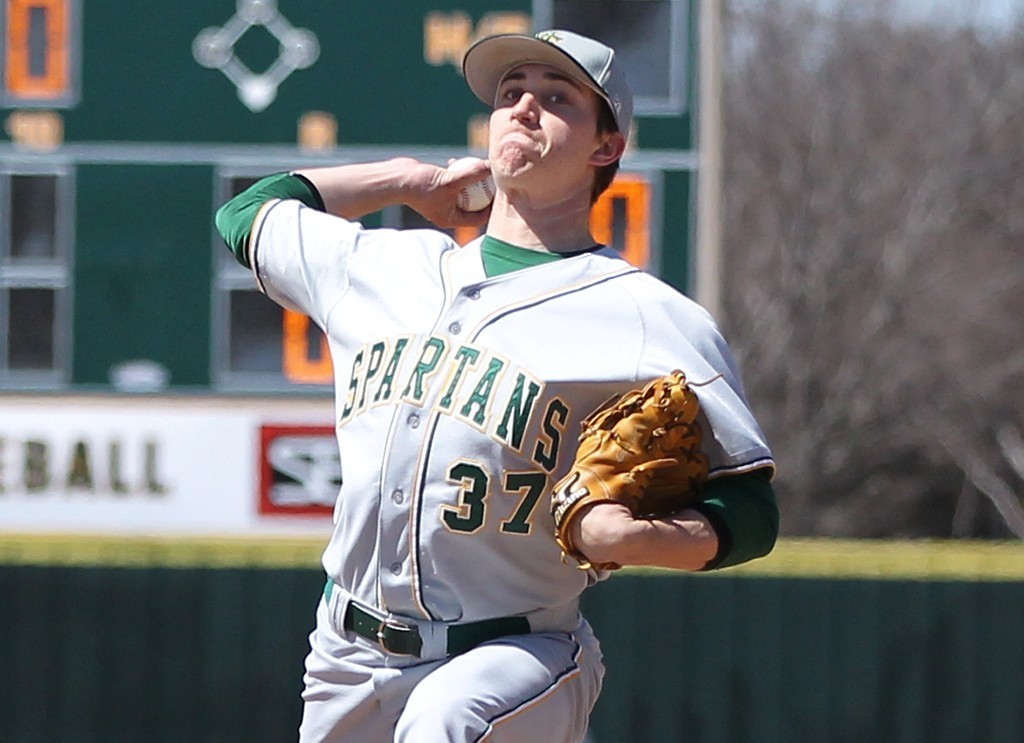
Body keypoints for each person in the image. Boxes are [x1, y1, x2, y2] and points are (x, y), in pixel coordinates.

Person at [216, 28, 778, 743]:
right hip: (347, 652)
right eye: (510, 94)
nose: (523, 108)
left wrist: (635, 534)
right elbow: (249, 213)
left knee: (444, 724)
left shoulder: (650, 317)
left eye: (556, 98)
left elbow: (751, 507)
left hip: (513, 651)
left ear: (605, 146)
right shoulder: (388, 268)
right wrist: (406, 181)